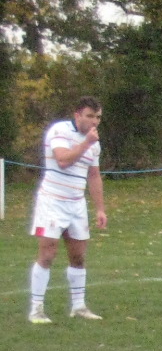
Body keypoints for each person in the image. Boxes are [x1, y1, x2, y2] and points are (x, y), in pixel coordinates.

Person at [27, 96, 105, 324]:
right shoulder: (59, 131)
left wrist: (100, 209)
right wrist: (85, 144)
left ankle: (79, 306)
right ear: (77, 114)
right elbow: (62, 160)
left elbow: (93, 175)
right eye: (90, 116)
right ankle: (36, 309)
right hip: (52, 201)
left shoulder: (94, 143)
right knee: (48, 253)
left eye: (98, 117)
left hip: (76, 203)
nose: (94, 121)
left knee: (79, 256)